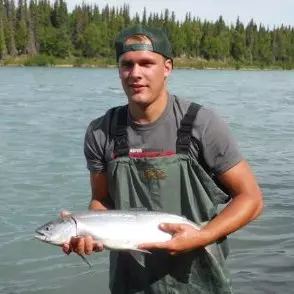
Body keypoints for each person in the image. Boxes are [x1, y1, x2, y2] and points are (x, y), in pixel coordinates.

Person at [62, 25, 263, 293]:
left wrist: (201, 237)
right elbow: (102, 200)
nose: (135, 74)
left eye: (146, 63)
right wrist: (89, 231)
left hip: (199, 282)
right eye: (127, 65)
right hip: (130, 283)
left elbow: (251, 199)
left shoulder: (202, 124)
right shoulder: (101, 131)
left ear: (167, 67)